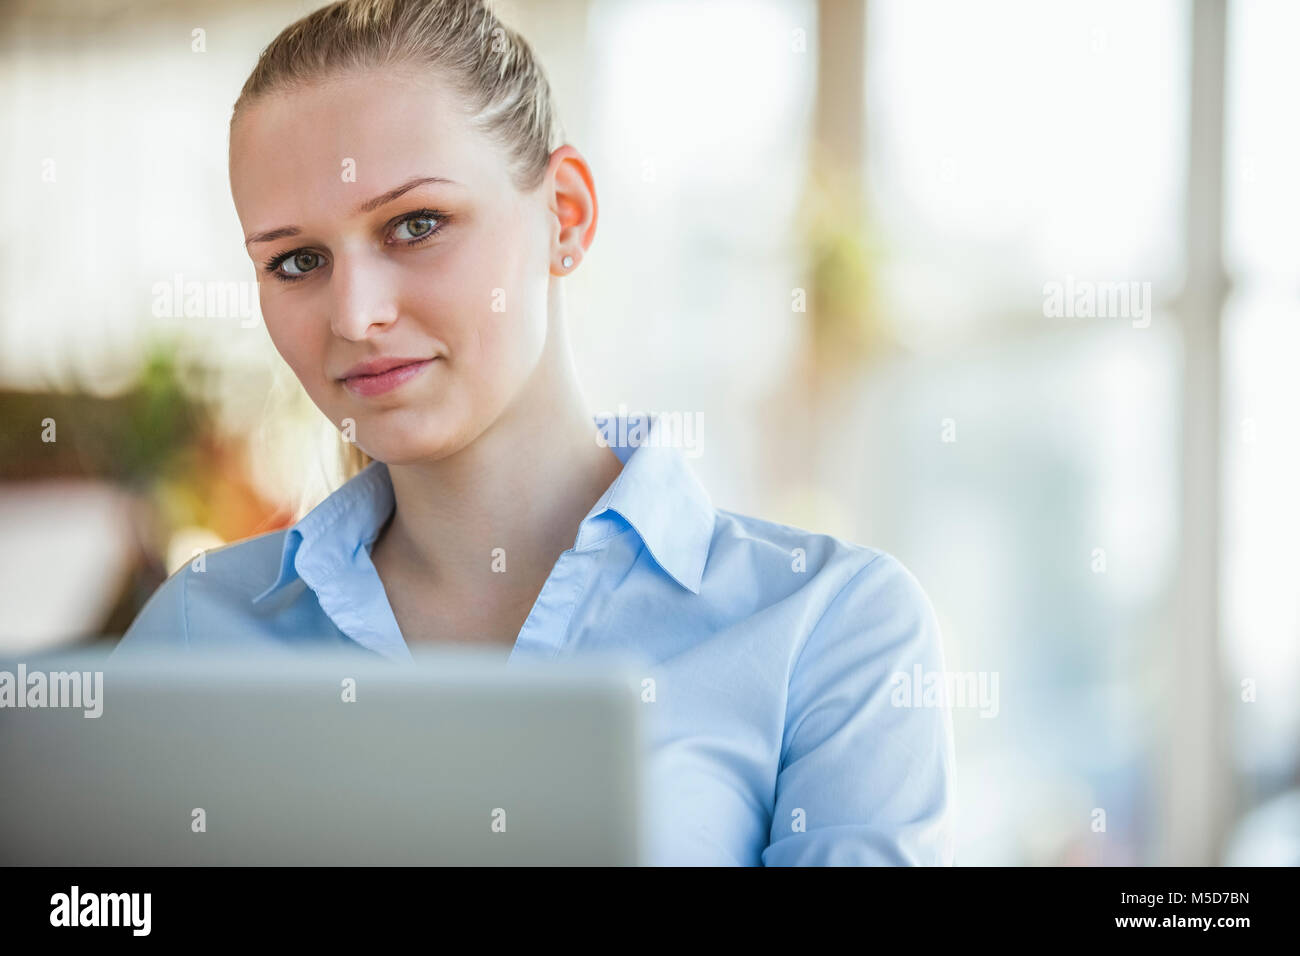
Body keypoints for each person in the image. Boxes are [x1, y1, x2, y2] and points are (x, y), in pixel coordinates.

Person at [116, 0, 955, 866]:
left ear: (566, 214)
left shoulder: (831, 628)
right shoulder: (196, 631)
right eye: (298, 261)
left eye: (415, 225)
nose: (357, 316)